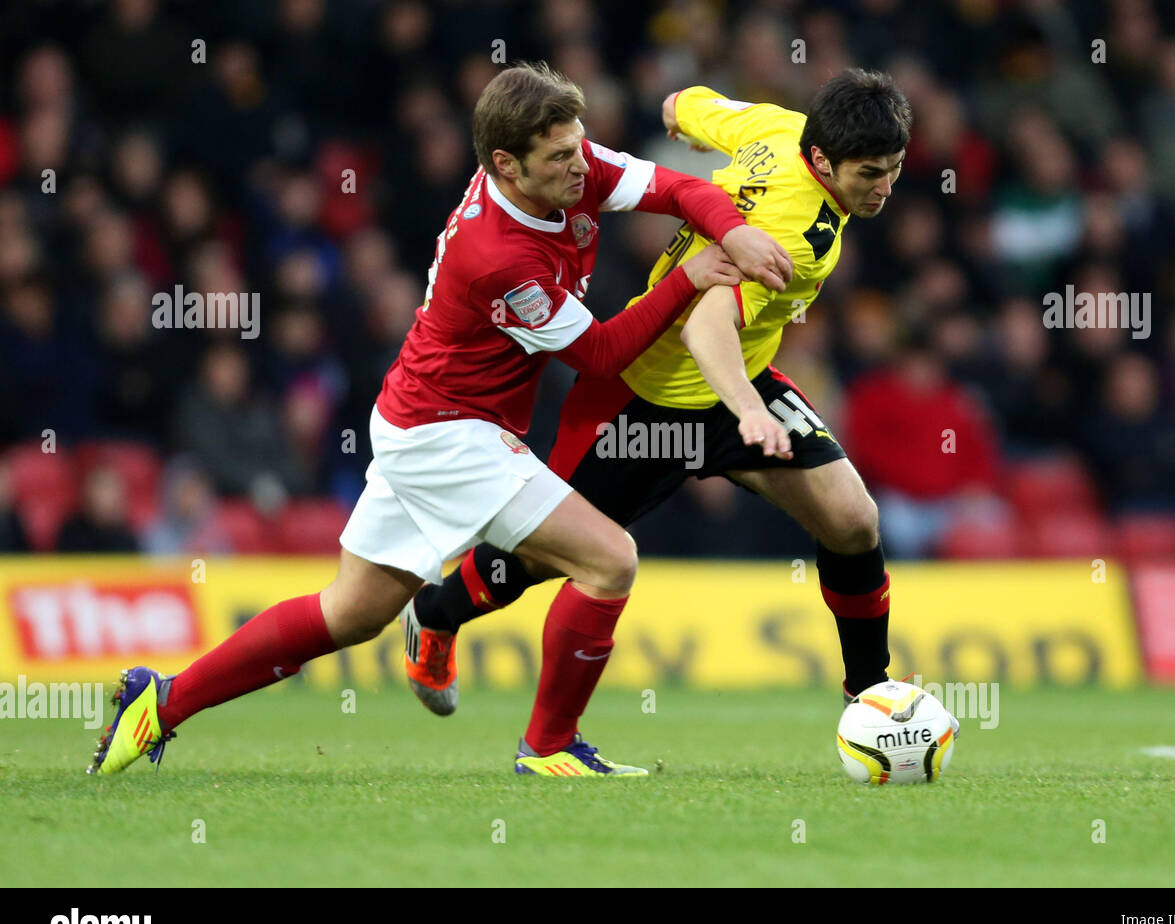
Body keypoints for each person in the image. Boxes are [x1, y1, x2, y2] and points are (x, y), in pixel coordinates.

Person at [89, 62, 792, 777]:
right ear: (505, 165)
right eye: (558, 156)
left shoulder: (569, 167)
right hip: (448, 432)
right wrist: (688, 277)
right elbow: (602, 355)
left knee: (351, 613)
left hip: (419, 416)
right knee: (609, 560)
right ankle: (549, 748)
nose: (579, 164)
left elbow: (678, 186)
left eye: (579, 144)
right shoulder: (498, 257)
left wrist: (731, 233)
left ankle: (162, 701)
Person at [406, 69, 957, 733]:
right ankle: (436, 614)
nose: (885, 188)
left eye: (894, 169)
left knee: (853, 522)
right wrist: (750, 412)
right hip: (645, 394)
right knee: (541, 557)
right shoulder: (797, 236)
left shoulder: (780, 128)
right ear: (822, 158)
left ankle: (869, 698)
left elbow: (692, 106)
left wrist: (674, 113)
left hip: (736, 380)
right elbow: (705, 326)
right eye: (870, 173)